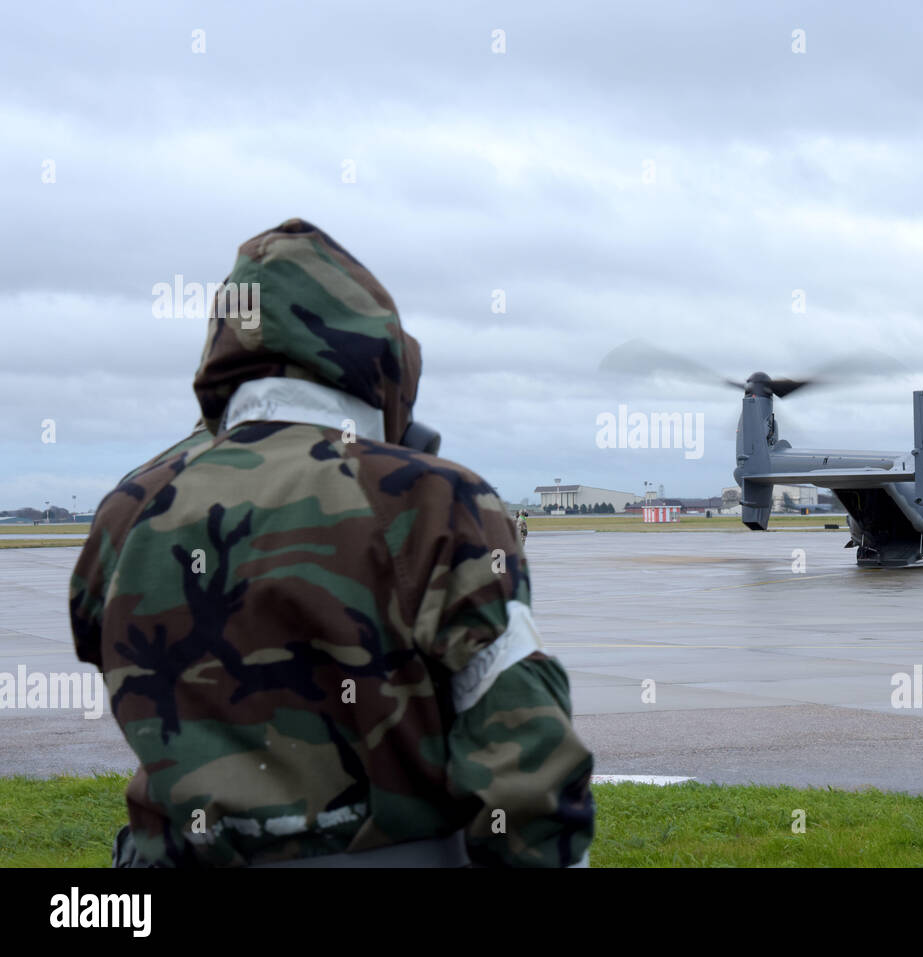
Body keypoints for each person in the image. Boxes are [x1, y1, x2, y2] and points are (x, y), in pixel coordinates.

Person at [69, 219, 593, 868]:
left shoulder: (129, 508)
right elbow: (524, 751)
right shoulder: (438, 501)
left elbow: (107, 648)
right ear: (378, 354)